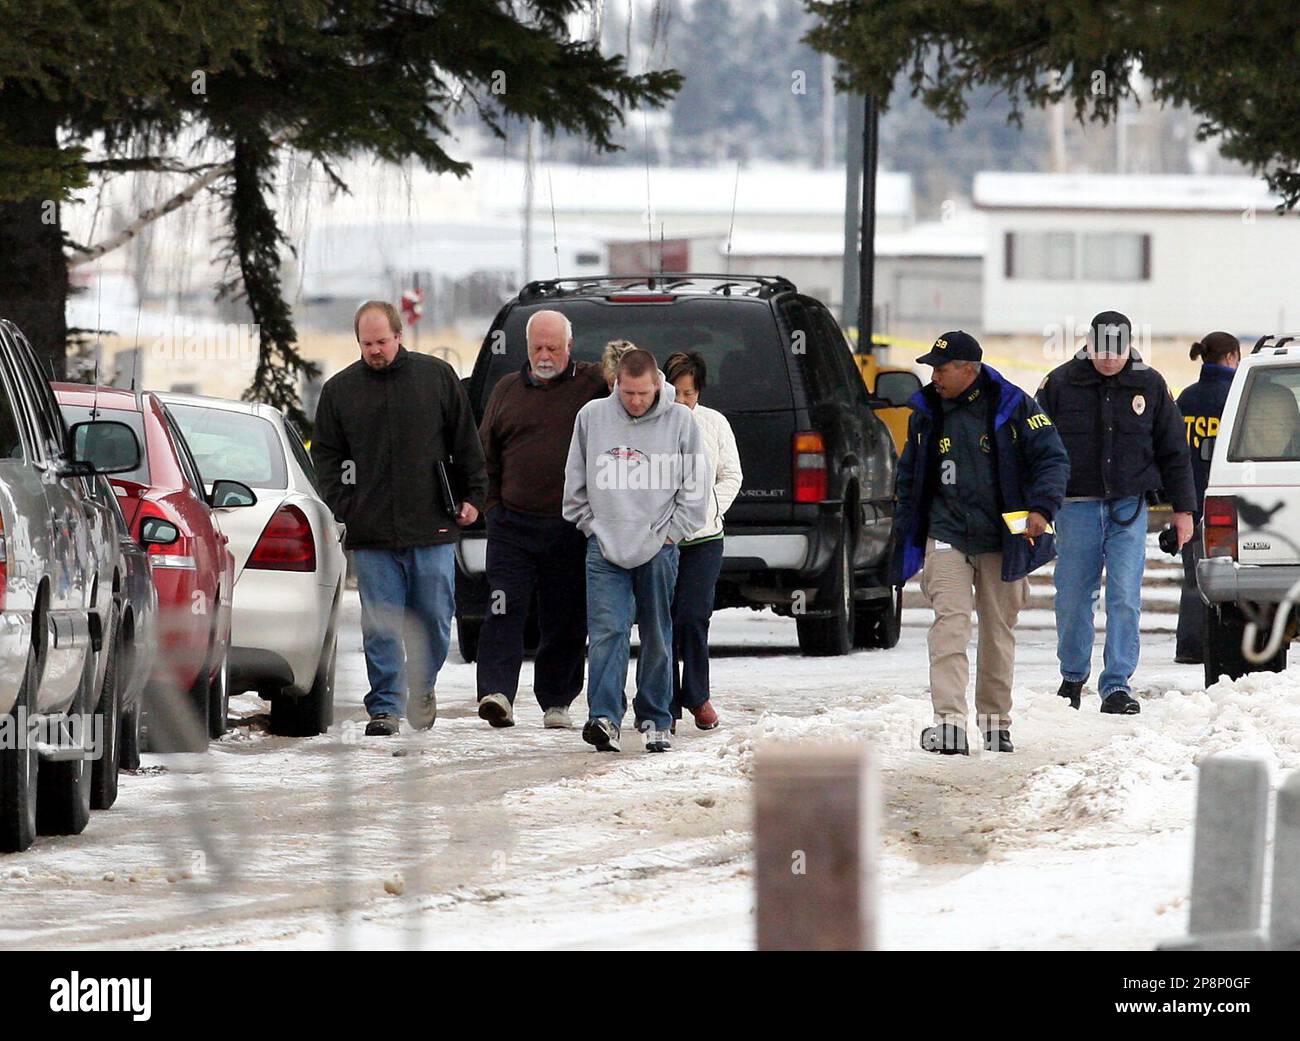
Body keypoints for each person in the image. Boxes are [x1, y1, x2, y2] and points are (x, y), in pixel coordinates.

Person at [312, 300, 487, 736]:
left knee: (432, 613)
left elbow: (466, 442)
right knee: (383, 623)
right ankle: (385, 706)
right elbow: (327, 457)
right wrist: (343, 504)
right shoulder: (340, 391)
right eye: (366, 343)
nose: (375, 350)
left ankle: (422, 687)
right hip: (372, 532)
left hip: (433, 524)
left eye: (382, 342)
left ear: (400, 335)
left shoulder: (436, 378)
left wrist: (473, 495)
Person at [895, 331, 1069, 755]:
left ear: (968, 370)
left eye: (941, 368)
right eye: (931, 367)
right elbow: (908, 473)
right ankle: (950, 724)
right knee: (949, 626)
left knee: (997, 630)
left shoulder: (1014, 406)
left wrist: (1042, 510)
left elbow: (1052, 459)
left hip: (1003, 539)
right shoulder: (926, 412)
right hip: (947, 533)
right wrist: (903, 530)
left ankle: (995, 724)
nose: (933, 375)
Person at [1037, 311, 1196, 715]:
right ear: (1088, 345)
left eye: (1117, 351)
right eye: (1102, 351)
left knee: (1125, 596)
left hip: (1129, 506)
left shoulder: (1150, 384)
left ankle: (1117, 685)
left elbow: (1174, 450)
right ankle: (1072, 678)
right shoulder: (1059, 384)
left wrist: (1184, 511)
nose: (1109, 359)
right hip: (1076, 505)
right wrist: (1035, 504)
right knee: (1073, 597)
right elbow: (1036, 449)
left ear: (1129, 347)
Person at [563, 347, 709, 753]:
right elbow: (573, 486)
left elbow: (697, 487)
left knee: (658, 634)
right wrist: (593, 528)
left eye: (644, 393)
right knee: (607, 633)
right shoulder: (591, 417)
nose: (636, 401)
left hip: (659, 546)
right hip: (605, 547)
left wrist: (671, 534)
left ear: (657, 384)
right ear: (616, 385)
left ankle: (656, 718)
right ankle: (604, 718)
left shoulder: (680, 420)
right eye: (628, 393)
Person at [474, 310, 607, 729]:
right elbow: (486, 455)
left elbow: (647, 386)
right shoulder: (507, 389)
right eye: (536, 348)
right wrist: (492, 507)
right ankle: (496, 693)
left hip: (570, 525)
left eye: (553, 347)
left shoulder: (593, 383)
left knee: (565, 616)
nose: (544, 355)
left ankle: (557, 701)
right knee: (503, 607)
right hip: (513, 524)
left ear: (570, 346)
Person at [663, 351, 743, 732]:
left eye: (689, 393)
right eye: (676, 393)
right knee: (659, 619)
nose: (683, 401)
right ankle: (663, 701)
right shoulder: (653, 425)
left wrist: (710, 508)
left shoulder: (715, 424)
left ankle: (697, 696)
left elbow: (732, 475)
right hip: (662, 541)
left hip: (704, 539)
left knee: (693, 616)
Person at [1173, 332, 1240, 664]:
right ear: (1231, 357)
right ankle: (1227, 648)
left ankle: (1189, 647)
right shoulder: (1237, 397)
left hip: (1190, 500)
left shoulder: (1186, 399)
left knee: (1193, 576)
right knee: (1230, 577)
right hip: (1229, 502)